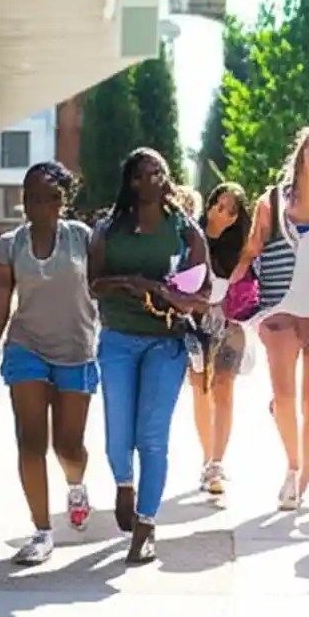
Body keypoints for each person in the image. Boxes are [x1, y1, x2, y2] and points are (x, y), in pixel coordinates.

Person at [88, 147, 211, 565]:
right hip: (118, 338)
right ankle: (124, 484)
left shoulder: (185, 229)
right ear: (129, 182)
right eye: (140, 175)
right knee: (117, 437)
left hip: (166, 339)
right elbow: (93, 284)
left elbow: (204, 293)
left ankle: (146, 526)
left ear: (167, 177)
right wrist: (130, 281)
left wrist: (170, 294)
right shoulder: (108, 228)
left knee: (152, 436)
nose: (149, 181)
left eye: (157, 173)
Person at [0, 161, 97, 565]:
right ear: (23, 200)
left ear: (63, 201)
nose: (40, 205)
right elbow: (0, 305)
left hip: (76, 349)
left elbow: (103, 288)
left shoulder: (82, 238)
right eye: (33, 197)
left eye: (50, 198)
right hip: (26, 347)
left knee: (68, 445)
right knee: (30, 441)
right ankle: (42, 531)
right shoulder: (8, 245)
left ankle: (76, 485)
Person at [231, 124, 309, 512]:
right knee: (285, 398)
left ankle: (301, 482)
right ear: (302, 153)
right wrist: (220, 296)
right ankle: (293, 464)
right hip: (279, 309)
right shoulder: (272, 201)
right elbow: (250, 252)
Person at [189, 182, 253, 495]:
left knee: (224, 387)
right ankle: (206, 458)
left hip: (230, 323)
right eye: (219, 204)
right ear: (210, 204)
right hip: (194, 323)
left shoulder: (241, 248)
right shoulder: (191, 236)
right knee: (201, 388)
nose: (223, 213)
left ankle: (216, 463)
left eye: (231, 210)